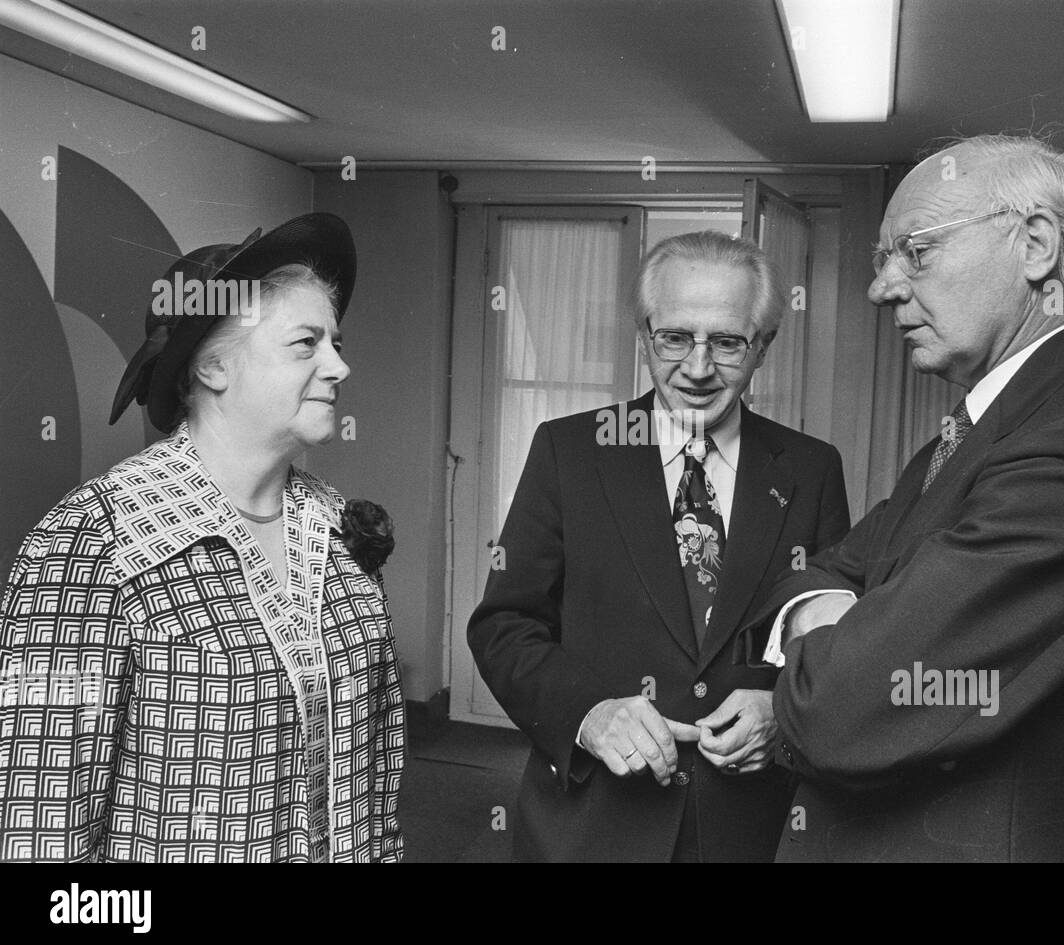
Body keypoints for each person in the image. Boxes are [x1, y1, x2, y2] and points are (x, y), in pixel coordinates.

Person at [754, 135, 1064, 862]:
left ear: (1036, 246)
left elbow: (845, 705)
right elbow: (825, 567)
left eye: (917, 252)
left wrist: (851, 629)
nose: (883, 287)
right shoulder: (978, 430)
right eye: (882, 260)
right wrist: (823, 611)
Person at [0, 213, 405, 862]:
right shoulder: (87, 548)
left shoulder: (338, 532)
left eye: (335, 341)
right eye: (306, 344)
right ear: (213, 366)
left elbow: (377, 790)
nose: (338, 366)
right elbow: (39, 836)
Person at [468, 231, 850, 861]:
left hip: (750, 829)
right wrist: (587, 715)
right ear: (645, 336)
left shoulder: (811, 469)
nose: (698, 369)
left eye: (727, 342)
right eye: (675, 338)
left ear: (764, 347)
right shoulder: (570, 451)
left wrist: (782, 712)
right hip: (590, 826)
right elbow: (503, 626)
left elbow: (831, 645)